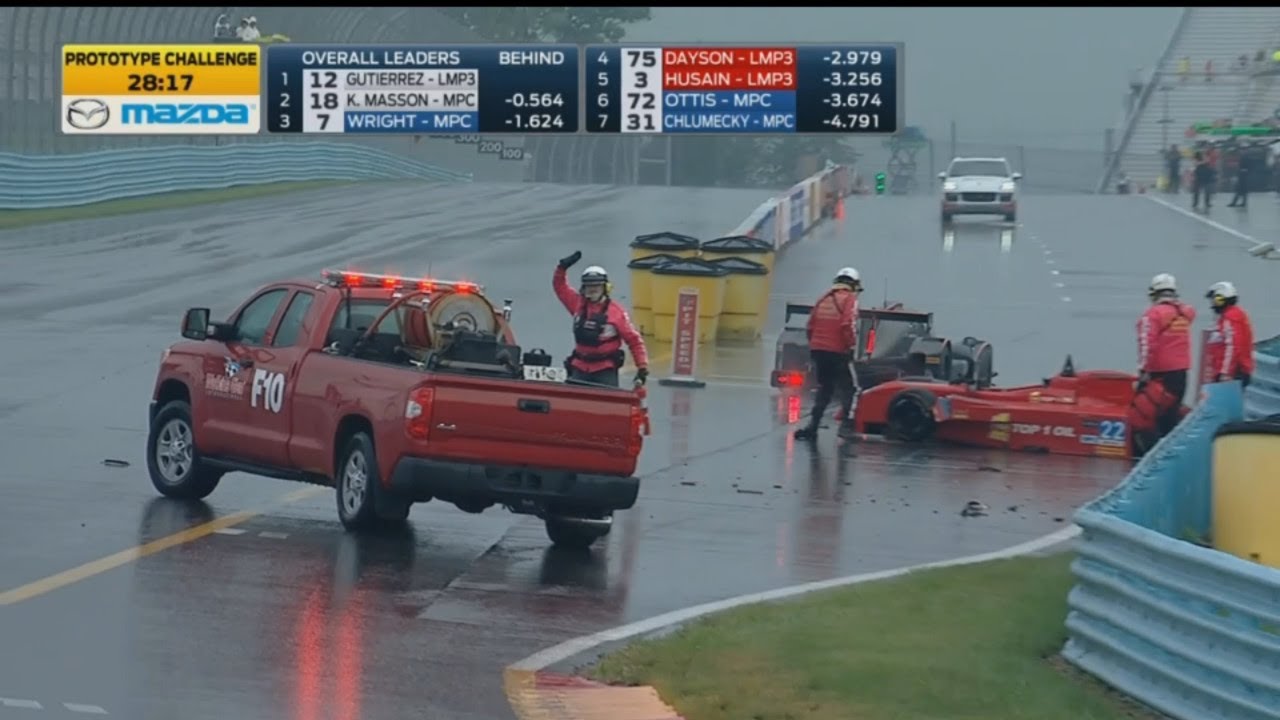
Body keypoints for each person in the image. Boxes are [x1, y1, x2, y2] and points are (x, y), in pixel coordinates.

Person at [553, 251, 648, 388]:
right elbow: (559, 286)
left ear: (605, 288)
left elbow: (634, 341)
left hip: (605, 370)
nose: (592, 290)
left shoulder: (617, 312)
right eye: (589, 286)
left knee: (608, 407)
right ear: (583, 288)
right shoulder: (577, 304)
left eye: (596, 286)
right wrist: (561, 268)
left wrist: (642, 368)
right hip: (579, 368)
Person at [794, 267, 864, 441]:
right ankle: (846, 427)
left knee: (825, 388)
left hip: (819, 351)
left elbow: (810, 325)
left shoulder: (823, 298)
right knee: (851, 388)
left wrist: (815, 345)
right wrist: (851, 346)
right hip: (838, 351)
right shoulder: (850, 299)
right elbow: (848, 324)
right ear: (854, 285)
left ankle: (813, 426)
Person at [1136, 273, 1196, 440]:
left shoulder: (1152, 316)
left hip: (1160, 375)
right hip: (1181, 373)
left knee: (1150, 415)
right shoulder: (1184, 313)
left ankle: (1150, 455)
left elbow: (1147, 345)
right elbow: (1190, 311)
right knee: (1172, 415)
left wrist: (1143, 370)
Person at [1204, 281, 1255, 387]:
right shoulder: (1235, 315)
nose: (1213, 304)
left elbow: (1232, 347)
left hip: (1231, 374)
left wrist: (1225, 373)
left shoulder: (1230, 317)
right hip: (1233, 372)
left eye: (1215, 299)